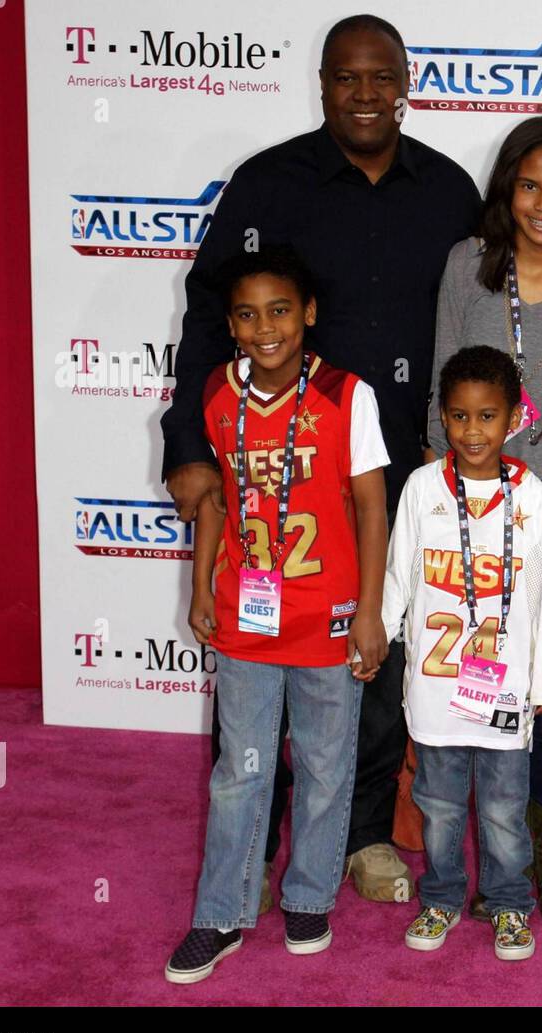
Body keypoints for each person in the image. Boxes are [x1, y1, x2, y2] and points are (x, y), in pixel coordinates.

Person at [160, 14, 481, 903]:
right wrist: (186, 444)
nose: (367, 94)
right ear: (324, 85)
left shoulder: (450, 190)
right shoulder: (268, 185)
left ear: (407, 82)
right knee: (256, 673)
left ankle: (364, 837)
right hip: (269, 482)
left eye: (383, 78)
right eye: (349, 78)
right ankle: (255, 849)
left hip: (395, 475)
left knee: (369, 662)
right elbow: (204, 319)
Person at [165, 247, 389, 984]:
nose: (266, 328)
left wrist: (370, 612)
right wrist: (200, 588)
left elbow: (368, 507)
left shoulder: (346, 395)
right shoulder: (216, 393)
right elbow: (217, 504)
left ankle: (309, 895)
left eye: (281, 310)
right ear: (230, 324)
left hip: (327, 616)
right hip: (247, 617)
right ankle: (222, 912)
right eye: (248, 314)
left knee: (326, 767)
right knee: (241, 771)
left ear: (309, 314)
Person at [426, 117, 542, 919]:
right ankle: (462, 854)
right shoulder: (467, 267)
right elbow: (439, 398)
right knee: (460, 683)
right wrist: (449, 502)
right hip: (468, 513)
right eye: (530, 185)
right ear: (507, 188)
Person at [383, 347, 542, 961]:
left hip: (506, 688)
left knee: (505, 809)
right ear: (442, 417)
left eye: (487, 416)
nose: (472, 431)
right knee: (436, 804)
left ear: (512, 417)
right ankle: (441, 896)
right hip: (435, 687)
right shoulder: (420, 487)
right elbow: (398, 575)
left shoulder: (531, 495)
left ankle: (510, 905)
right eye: (459, 417)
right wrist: (378, 633)